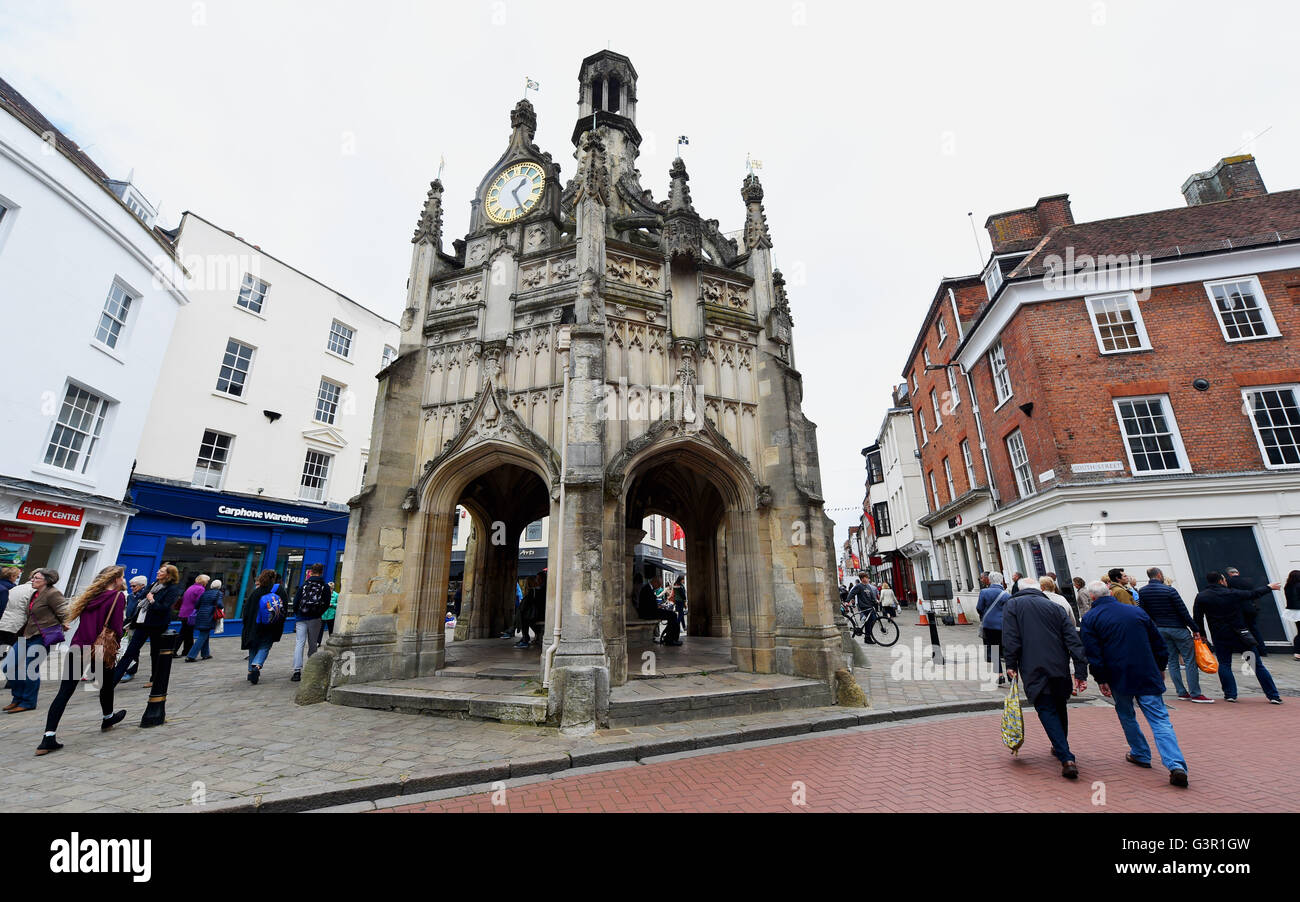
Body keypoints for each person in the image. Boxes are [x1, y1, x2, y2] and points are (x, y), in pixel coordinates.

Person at [1079, 580, 1189, 787]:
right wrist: (1160, 666)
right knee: (1159, 718)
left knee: (1126, 713)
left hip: (1118, 674)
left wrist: (1100, 678)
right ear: (1110, 593)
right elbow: (1158, 642)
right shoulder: (1136, 612)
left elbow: (1093, 653)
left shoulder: (1091, 618)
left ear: (1092, 598)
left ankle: (1140, 752)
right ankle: (1175, 764)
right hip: (1146, 671)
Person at [1002, 577, 1089, 779]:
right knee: (1060, 706)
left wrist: (1011, 663)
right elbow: (1073, 641)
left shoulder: (1013, 605)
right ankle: (1060, 746)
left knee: (1046, 708)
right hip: (1059, 665)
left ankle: (1066, 755)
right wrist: (1081, 671)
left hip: (1033, 666)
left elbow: (1011, 636)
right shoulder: (1055, 608)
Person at [37, 566, 128, 754]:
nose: (123, 581)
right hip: (100, 648)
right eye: (122, 577)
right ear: (115, 579)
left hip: (78, 646)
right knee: (105, 684)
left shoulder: (91, 596)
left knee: (65, 691)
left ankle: (48, 736)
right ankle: (107, 717)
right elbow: (117, 627)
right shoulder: (117, 597)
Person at [1193, 571, 1283, 704]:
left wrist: (1202, 634)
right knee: (1256, 664)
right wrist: (1269, 587)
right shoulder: (1231, 593)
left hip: (1220, 635)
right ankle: (1273, 695)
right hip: (1240, 634)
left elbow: (1198, 617)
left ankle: (1230, 694)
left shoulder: (1201, 596)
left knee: (1224, 664)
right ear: (1221, 581)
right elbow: (1252, 594)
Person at [1137, 567, 1209, 703]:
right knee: (1189, 660)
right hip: (1178, 628)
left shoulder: (1143, 591)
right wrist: (1195, 629)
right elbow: (1183, 611)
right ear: (1159, 575)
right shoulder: (1169, 590)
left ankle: (1181, 692)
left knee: (1172, 661)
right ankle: (1195, 693)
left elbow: (1143, 612)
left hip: (1159, 629)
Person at [5, 569, 68, 713]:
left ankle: (28, 702)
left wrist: (64, 623)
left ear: (47, 580)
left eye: (36, 578)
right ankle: (17, 698)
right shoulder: (34, 594)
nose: (32, 580)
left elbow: (64, 611)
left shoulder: (53, 594)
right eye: (33, 577)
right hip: (26, 635)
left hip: (42, 636)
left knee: (30, 669)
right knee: (9, 666)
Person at [241, 570, 286, 684]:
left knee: (253, 646)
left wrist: (246, 623)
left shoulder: (256, 592)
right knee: (265, 646)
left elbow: (246, 610)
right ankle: (257, 665)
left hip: (255, 625)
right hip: (271, 624)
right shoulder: (279, 589)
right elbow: (283, 608)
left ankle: (251, 671)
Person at [291, 563, 330, 681]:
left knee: (299, 643)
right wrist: (319, 613)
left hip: (301, 618)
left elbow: (296, 601)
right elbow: (326, 603)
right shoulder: (325, 586)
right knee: (313, 643)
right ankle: (312, 667)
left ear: (311, 572)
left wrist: (297, 613)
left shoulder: (304, 585)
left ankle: (297, 671)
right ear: (322, 572)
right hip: (315, 618)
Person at [1225, 567, 1269, 656]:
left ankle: (1247, 650)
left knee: (1241, 630)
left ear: (1229, 574)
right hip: (1250, 608)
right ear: (1238, 573)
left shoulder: (1228, 582)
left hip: (1237, 609)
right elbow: (1253, 594)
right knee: (1254, 629)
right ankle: (1262, 650)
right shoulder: (1247, 581)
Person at [976, 571, 1009, 682]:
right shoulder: (1006, 594)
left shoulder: (984, 592)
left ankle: (999, 674)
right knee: (1006, 649)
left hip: (989, 625)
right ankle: (1010, 672)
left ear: (989, 580)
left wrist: (984, 616)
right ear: (1001, 580)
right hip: (1004, 625)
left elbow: (979, 607)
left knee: (994, 650)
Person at [119, 575, 150, 682]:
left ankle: (131, 671)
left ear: (142, 586)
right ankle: (121, 669)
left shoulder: (145, 596)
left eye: (134, 586)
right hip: (127, 624)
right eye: (131, 586)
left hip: (137, 625)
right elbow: (128, 611)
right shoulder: (130, 597)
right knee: (123, 648)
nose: (131, 588)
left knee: (133, 649)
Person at [637, 570, 680, 645]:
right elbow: (647, 605)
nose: (659, 587)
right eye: (659, 584)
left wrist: (659, 606)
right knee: (673, 615)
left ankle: (670, 638)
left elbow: (650, 603)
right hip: (648, 613)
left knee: (672, 615)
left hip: (651, 611)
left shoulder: (648, 588)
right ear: (655, 582)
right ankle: (670, 639)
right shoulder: (647, 589)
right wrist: (658, 607)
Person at [185, 579, 224, 662]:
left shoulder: (205, 593)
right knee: (202, 636)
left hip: (201, 615)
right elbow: (220, 604)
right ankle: (191, 655)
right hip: (209, 616)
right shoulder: (218, 593)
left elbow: (197, 605)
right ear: (219, 586)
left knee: (205, 634)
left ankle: (205, 654)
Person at [176, 574, 210, 658]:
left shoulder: (191, 587)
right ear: (204, 581)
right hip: (190, 614)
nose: (208, 582)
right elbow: (199, 602)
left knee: (188, 633)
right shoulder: (200, 589)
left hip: (183, 613)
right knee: (183, 633)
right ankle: (173, 651)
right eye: (207, 581)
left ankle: (186, 651)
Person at [1285, 570, 1300, 660]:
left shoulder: (1288, 586)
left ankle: (1297, 652)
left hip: (1293, 612)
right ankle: (1297, 652)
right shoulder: (1299, 586)